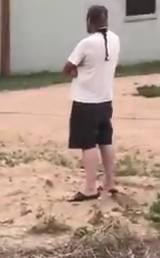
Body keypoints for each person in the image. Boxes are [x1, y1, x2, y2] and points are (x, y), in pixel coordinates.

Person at [64, 4, 120, 202]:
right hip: (105, 99)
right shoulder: (115, 39)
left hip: (85, 101)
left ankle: (90, 188)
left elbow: (68, 67)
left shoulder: (86, 43)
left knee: (87, 144)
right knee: (105, 140)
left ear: (90, 20)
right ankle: (110, 182)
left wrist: (77, 72)